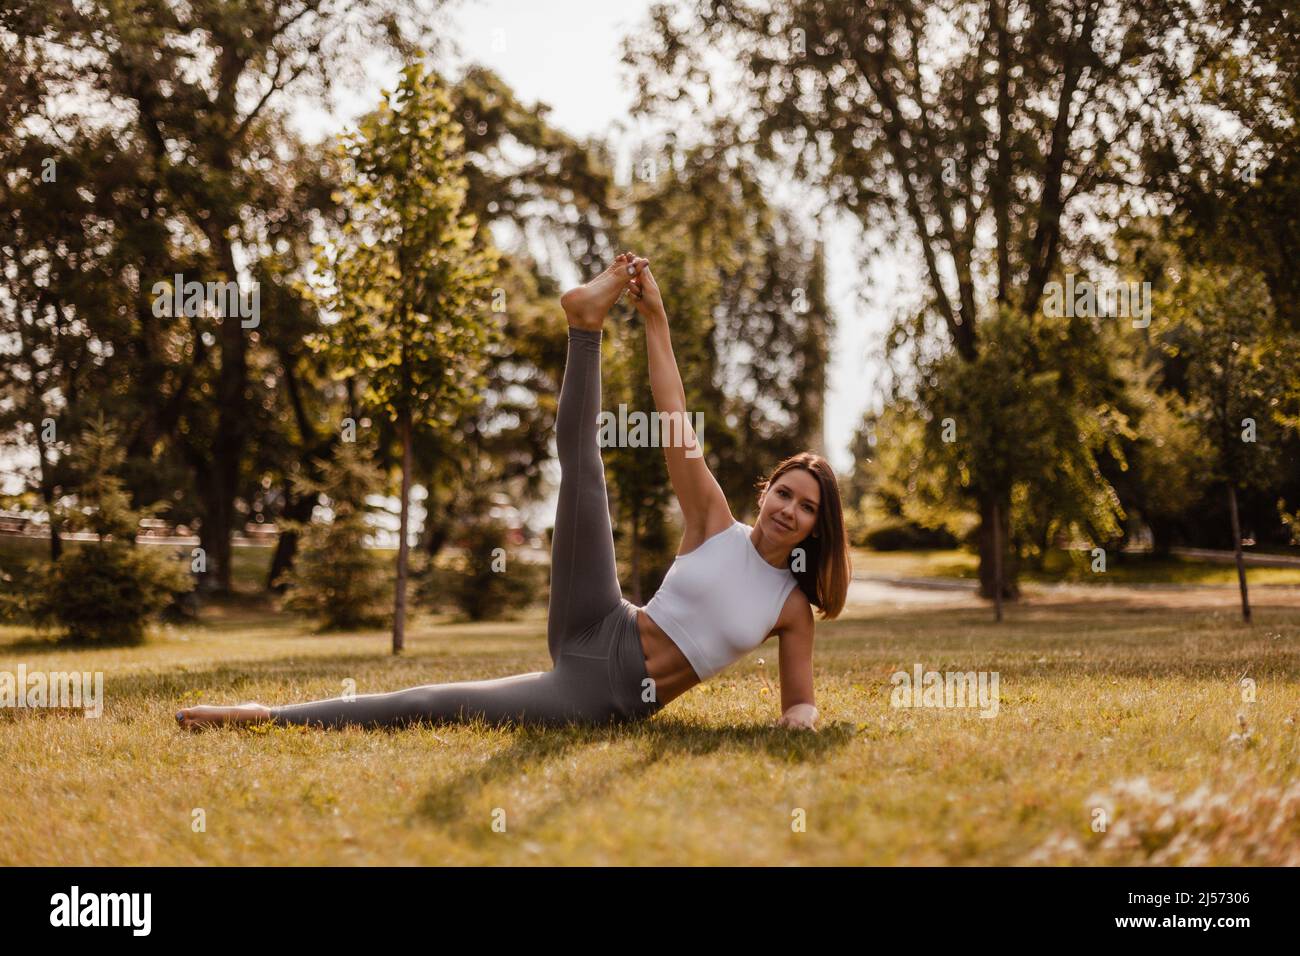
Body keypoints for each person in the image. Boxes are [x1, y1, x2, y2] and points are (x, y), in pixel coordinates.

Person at [175, 253, 850, 734]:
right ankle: (585, 323)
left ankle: (265, 717)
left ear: (817, 527)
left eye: (806, 506)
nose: (788, 509)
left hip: (601, 692)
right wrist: (656, 324)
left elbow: (798, 703)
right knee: (584, 472)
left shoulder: (791, 608)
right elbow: (674, 417)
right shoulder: (712, 521)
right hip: (600, 619)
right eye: (782, 493)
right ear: (764, 494)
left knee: (436, 701)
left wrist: (800, 727)